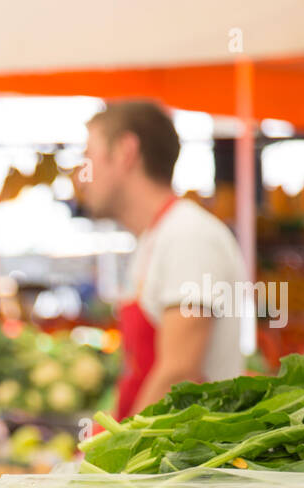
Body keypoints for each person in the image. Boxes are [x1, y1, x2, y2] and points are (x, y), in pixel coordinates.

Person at [81, 100, 246, 418]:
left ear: (126, 151)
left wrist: (120, 457)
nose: (82, 176)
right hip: (159, 458)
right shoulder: (154, 239)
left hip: (185, 460)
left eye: (89, 156)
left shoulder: (189, 236)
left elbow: (178, 372)